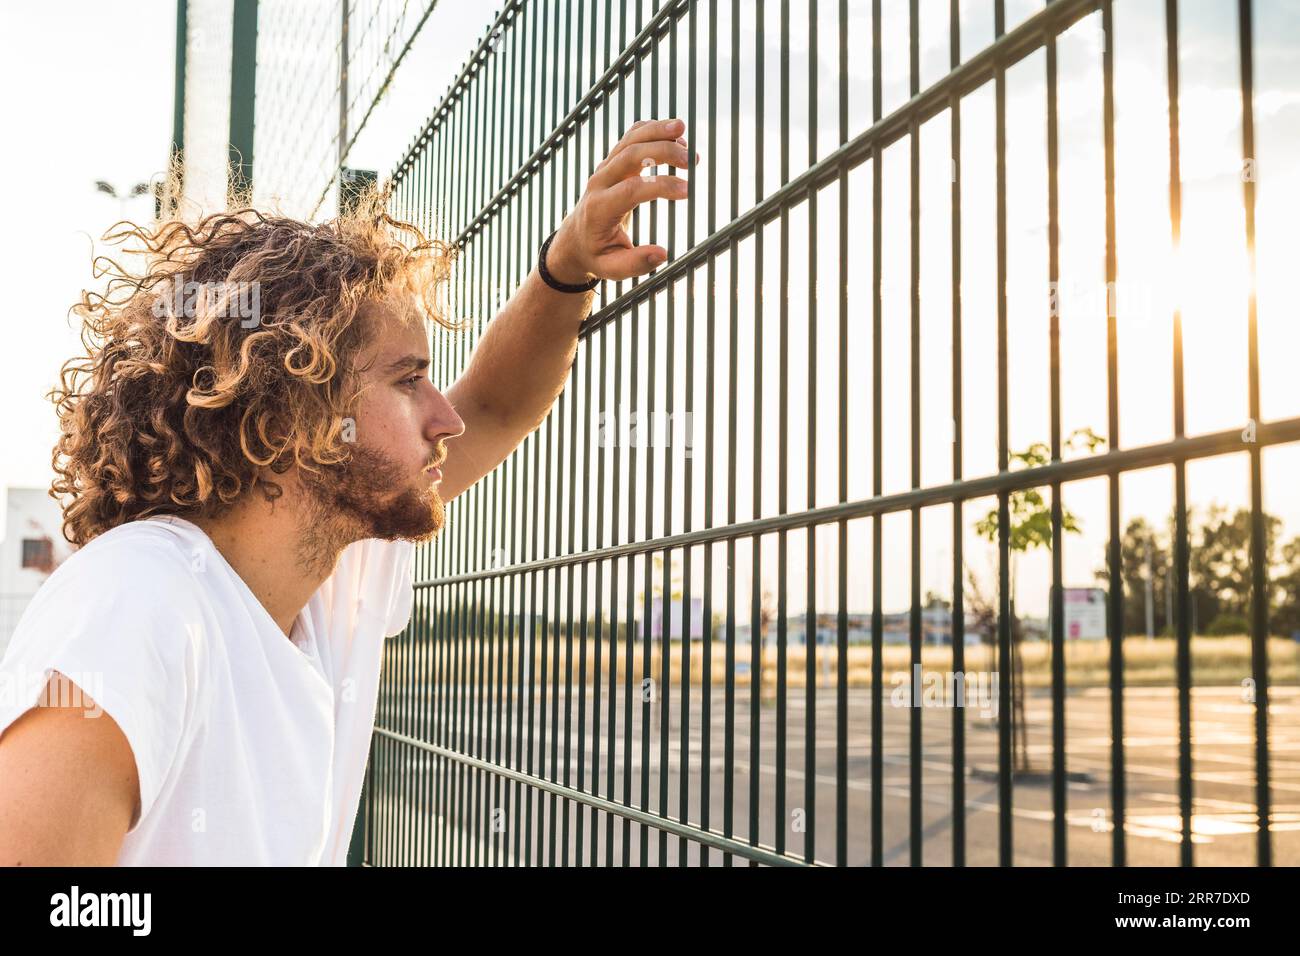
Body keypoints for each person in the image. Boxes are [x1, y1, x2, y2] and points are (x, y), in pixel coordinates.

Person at [0, 117, 693, 865]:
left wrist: (567, 267)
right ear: (291, 414)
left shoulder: (328, 577)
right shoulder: (136, 606)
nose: (445, 416)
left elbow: (495, 406)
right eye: (407, 380)